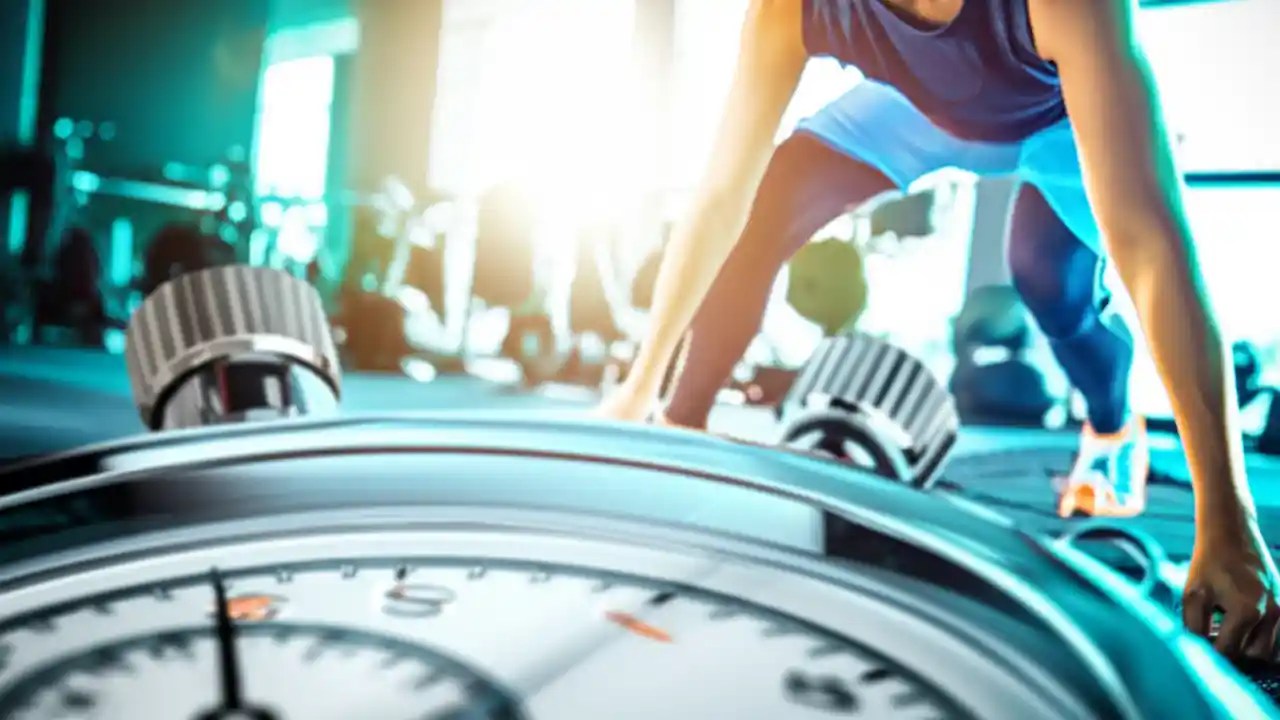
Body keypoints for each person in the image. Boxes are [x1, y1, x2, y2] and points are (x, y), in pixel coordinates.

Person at [598, 0, 1280, 659]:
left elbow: (1150, 246)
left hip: (1054, 119)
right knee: (766, 203)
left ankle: (1109, 426)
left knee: (1044, 274)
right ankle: (677, 424)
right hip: (916, 113)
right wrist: (641, 391)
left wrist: (1226, 514)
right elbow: (721, 199)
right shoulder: (791, 7)